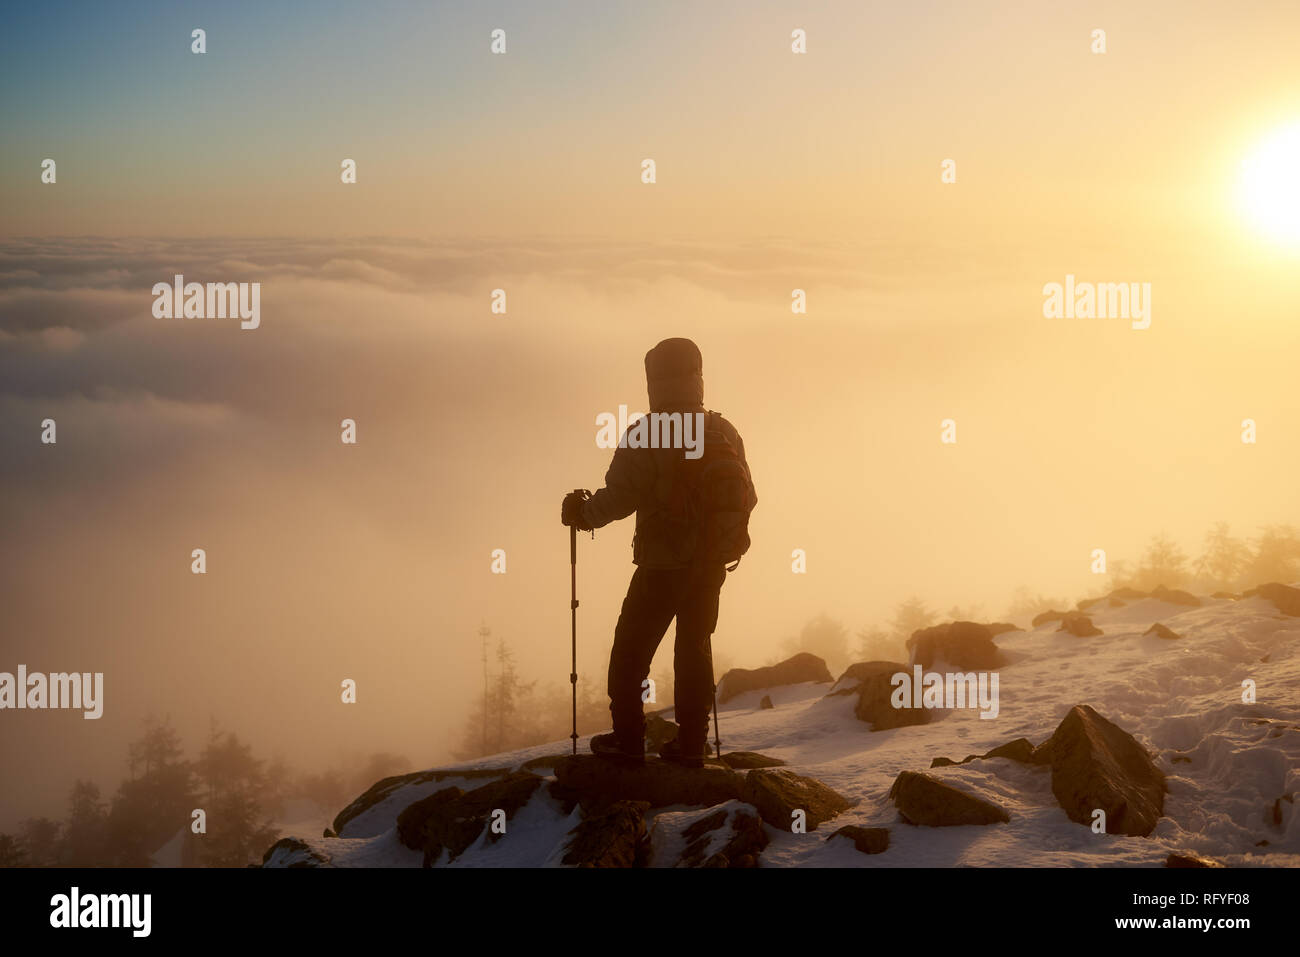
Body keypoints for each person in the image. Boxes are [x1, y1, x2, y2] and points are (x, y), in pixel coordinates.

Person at [560, 337, 756, 768]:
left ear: (653, 379)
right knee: (694, 649)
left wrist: (582, 515)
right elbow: (749, 497)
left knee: (630, 652)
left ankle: (628, 740)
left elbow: (619, 498)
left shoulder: (647, 432)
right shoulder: (723, 430)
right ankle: (691, 745)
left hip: (661, 566)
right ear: (697, 376)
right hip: (710, 565)